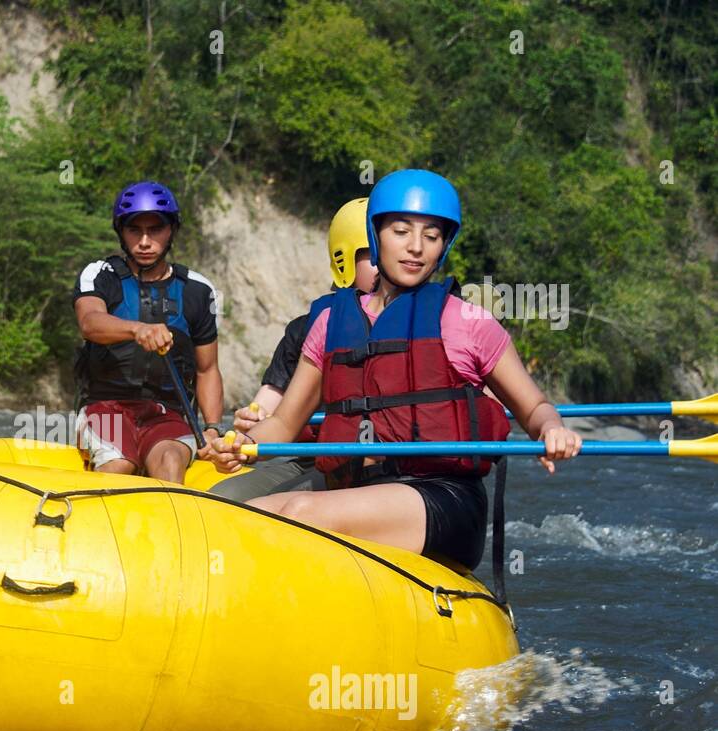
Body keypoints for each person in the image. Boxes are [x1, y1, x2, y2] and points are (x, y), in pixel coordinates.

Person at [211, 169, 581, 570]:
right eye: (401, 231)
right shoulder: (329, 323)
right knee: (238, 518)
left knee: (300, 512)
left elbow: (534, 407)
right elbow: (283, 426)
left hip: (440, 498)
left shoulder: (470, 322)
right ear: (376, 235)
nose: (416, 248)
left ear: (444, 245)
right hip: (352, 490)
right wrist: (242, 446)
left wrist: (552, 429)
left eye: (432, 236)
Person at [211, 197, 378, 501]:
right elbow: (268, 408)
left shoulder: (430, 323)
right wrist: (248, 426)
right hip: (306, 457)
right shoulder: (307, 329)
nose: (386, 262)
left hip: (377, 466)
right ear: (344, 258)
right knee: (224, 496)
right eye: (372, 254)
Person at [72, 181, 224, 483]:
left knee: (169, 462)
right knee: (119, 464)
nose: (144, 241)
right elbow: (90, 322)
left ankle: (173, 525)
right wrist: (137, 329)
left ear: (171, 232)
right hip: (106, 408)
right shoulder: (101, 275)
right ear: (121, 232)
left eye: (155, 230)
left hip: (166, 413)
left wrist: (213, 427)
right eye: (134, 230)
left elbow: (207, 369)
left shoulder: (198, 290)